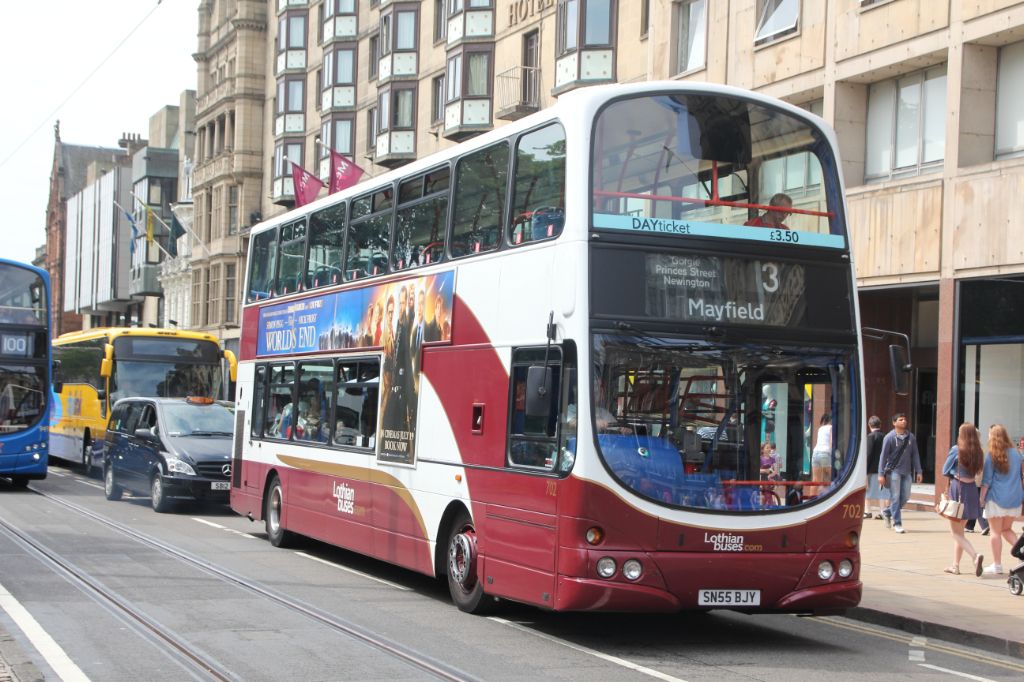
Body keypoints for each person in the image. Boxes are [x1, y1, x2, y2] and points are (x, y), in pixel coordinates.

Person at [940, 423, 985, 576]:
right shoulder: (978, 452)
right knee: (960, 532)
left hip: (958, 488)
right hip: (972, 489)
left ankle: (975, 555)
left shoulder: (956, 449)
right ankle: (955, 565)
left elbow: (944, 470)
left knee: (955, 532)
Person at [978, 424, 1023, 575]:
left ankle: (997, 565)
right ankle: (1022, 554)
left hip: (996, 498)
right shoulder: (1017, 454)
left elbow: (986, 481)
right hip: (1014, 498)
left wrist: (981, 498)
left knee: (995, 532)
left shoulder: (992, 455)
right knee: (1006, 529)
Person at [877, 412, 923, 534]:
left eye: (905, 419)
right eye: (901, 419)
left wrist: (919, 471)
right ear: (894, 423)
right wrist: (881, 474)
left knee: (906, 496)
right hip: (894, 472)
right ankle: (897, 523)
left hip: (907, 472)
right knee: (895, 498)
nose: (904, 421)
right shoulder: (889, 438)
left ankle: (887, 512)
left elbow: (915, 455)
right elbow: (883, 456)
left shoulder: (911, 437)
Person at [864, 415, 890, 519]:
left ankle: (867, 511)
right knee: (882, 491)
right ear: (880, 425)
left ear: (869, 425)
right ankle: (883, 511)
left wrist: (864, 470)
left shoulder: (870, 437)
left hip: (871, 469)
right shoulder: (885, 436)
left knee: (867, 490)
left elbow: (868, 454)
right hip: (883, 469)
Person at [810, 413, 832, 496]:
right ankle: (825, 498)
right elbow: (831, 442)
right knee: (828, 478)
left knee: (815, 480)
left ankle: (810, 500)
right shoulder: (831, 428)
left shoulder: (821, 428)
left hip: (815, 453)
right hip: (825, 453)